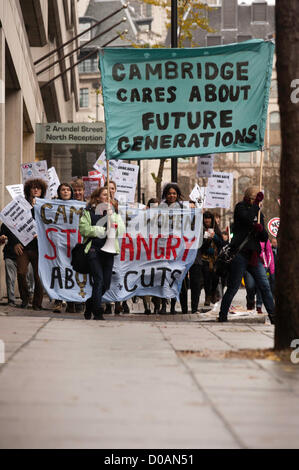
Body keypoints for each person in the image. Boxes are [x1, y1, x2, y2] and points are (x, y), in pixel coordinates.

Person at [218, 186, 275, 324]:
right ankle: (223, 314)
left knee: (265, 285)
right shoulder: (240, 207)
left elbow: (264, 238)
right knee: (234, 286)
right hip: (240, 253)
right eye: (254, 199)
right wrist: (255, 208)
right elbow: (247, 219)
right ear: (249, 197)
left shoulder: (258, 211)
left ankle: (273, 316)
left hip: (254, 255)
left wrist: (260, 230)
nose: (256, 202)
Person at [79, 187, 125, 320]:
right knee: (98, 280)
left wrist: (112, 218)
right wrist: (101, 230)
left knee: (106, 283)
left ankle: (90, 303)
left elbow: (121, 230)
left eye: (110, 195)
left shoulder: (114, 213)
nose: (108, 197)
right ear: (98, 198)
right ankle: (98, 311)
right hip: (94, 250)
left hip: (108, 252)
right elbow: (83, 229)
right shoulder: (89, 212)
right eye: (105, 195)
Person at [12, 178, 48, 310]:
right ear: (28, 190)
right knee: (21, 273)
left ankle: (37, 303)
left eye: (38, 187)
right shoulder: (21, 205)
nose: (36, 189)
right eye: (33, 187)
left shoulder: (45, 205)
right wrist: (15, 242)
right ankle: (25, 299)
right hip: (24, 246)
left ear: (42, 190)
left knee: (39, 277)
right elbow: (12, 224)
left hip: (39, 247)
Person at [159, 183, 184, 314]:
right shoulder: (160, 208)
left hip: (177, 247)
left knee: (175, 275)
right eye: (169, 193)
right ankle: (163, 304)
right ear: (165, 195)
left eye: (174, 193)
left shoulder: (183, 208)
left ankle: (173, 305)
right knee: (164, 275)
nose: (172, 196)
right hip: (163, 246)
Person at [53, 183, 74, 313]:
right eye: (63, 190)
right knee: (59, 272)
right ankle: (58, 301)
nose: (65, 192)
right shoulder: (53, 206)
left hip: (72, 246)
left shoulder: (78, 206)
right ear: (59, 192)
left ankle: (71, 302)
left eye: (67, 190)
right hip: (59, 246)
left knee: (72, 273)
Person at [244, 239, 275, 313]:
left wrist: (270, 268)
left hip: (262, 264)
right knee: (250, 286)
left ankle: (259, 306)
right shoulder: (248, 235)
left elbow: (269, 252)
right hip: (249, 264)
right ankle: (250, 301)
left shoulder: (264, 237)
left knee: (261, 286)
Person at [200, 211, 224, 306]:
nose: (207, 220)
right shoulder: (201, 230)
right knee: (206, 279)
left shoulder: (216, 230)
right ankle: (207, 296)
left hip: (215, 259)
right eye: (205, 218)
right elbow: (201, 246)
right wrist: (207, 239)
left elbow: (221, 244)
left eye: (209, 218)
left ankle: (213, 293)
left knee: (215, 278)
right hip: (205, 258)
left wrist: (215, 237)